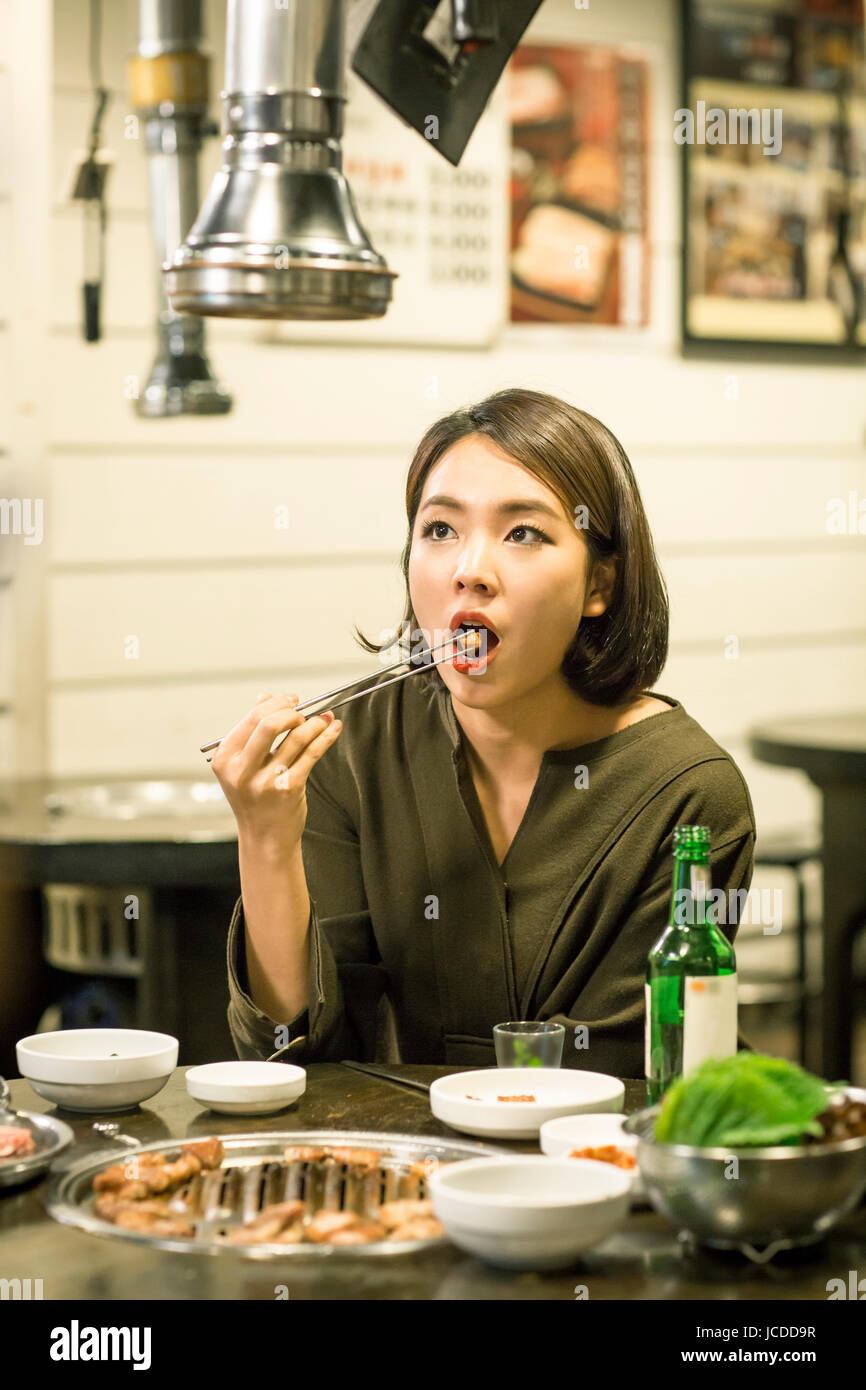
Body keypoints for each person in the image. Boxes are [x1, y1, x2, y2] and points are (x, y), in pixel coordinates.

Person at [213, 387, 755, 1077]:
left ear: (601, 585)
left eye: (523, 532)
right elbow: (299, 1054)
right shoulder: (349, 750)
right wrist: (264, 839)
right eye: (440, 530)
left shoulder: (689, 792)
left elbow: (624, 1073)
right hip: (392, 1169)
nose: (469, 569)